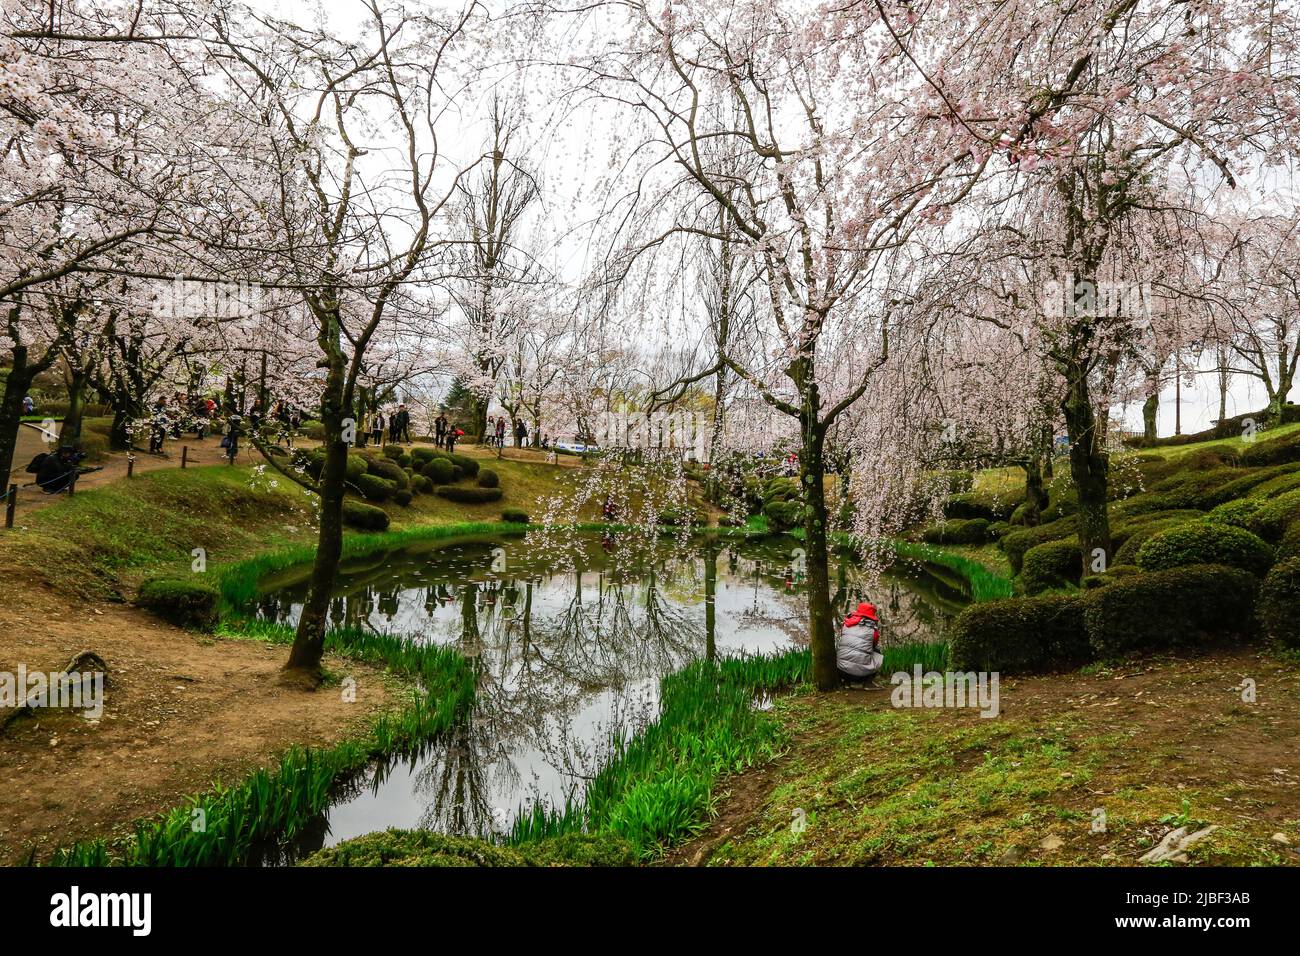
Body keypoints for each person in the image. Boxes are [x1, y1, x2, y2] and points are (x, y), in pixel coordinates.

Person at [836, 601, 883, 682]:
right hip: (861, 676)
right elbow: (873, 645)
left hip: (841, 671)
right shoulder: (873, 630)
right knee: (877, 652)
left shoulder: (846, 624)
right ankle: (868, 681)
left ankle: (847, 682)